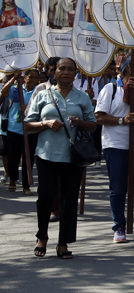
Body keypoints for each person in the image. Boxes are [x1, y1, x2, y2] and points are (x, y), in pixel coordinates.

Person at [24, 57, 97, 259]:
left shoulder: (82, 97)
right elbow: (27, 125)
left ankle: (63, 243)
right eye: (61, 68)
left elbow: (93, 125)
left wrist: (80, 122)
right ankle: (42, 237)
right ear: (54, 72)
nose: (66, 72)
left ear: (75, 74)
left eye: (70, 69)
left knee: (69, 199)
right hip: (47, 154)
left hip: (73, 156)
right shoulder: (42, 94)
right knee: (45, 197)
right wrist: (45, 123)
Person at [94, 53, 134, 243]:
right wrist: (122, 120)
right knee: (118, 188)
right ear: (128, 68)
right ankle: (119, 226)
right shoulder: (110, 89)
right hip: (116, 144)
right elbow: (99, 116)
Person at [1, 70, 38, 195]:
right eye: (30, 77)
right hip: (14, 129)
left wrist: (28, 108)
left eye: (35, 78)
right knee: (13, 158)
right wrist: (13, 79)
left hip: (30, 130)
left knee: (28, 159)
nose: (33, 80)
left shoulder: (39, 92)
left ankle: (26, 185)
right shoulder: (16, 89)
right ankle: (12, 178)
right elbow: (4, 92)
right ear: (25, 78)